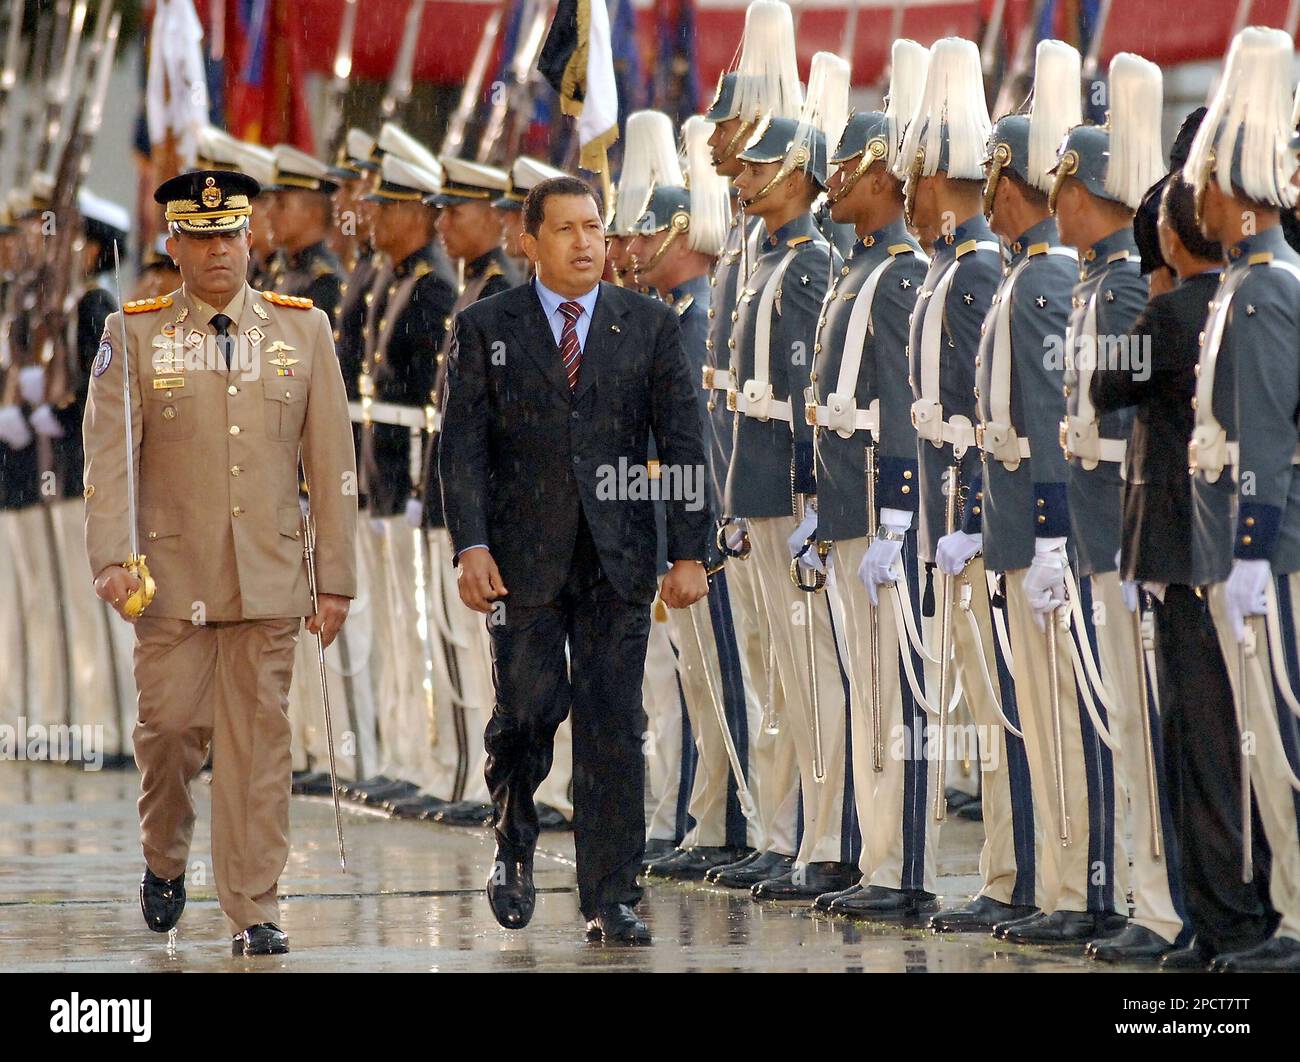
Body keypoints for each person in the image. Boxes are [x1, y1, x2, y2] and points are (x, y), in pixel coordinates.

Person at [82, 168, 358, 956]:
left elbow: (332, 462)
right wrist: (112, 558)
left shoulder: (303, 333)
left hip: (269, 581)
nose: (217, 253)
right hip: (169, 586)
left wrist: (333, 577)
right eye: (200, 239)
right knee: (168, 733)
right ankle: (164, 857)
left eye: (230, 236)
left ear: (250, 240)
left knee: (257, 749)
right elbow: (107, 459)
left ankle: (253, 907)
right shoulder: (133, 334)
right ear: (173, 245)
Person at [439, 175, 711, 944]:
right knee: (526, 709)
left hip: (619, 559)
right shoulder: (486, 325)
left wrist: (689, 550)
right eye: (566, 229)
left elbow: (682, 441)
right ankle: (514, 843)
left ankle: (612, 893)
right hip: (522, 559)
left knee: (612, 724)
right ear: (529, 241)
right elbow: (462, 448)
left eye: (595, 226)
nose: (587, 242)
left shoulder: (646, 324)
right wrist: (471, 544)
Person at [1094, 155, 1275, 969]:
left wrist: (1156, 302)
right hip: (1230, 546)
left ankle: (1220, 921)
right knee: (1228, 746)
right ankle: (1229, 915)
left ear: (1170, 237)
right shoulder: (1236, 302)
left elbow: (1103, 384)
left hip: (1178, 543)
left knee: (1193, 748)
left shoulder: (1170, 318)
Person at [896, 37, 1035, 933]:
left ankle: (1020, 876)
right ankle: (1004, 877)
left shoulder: (981, 268)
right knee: (983, 711)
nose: (910, 197)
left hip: (982, 517)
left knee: (1005, 712)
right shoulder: (957, 266)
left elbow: (997, 414)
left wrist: (977, 518)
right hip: (949, 514)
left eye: (918, 180)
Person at [1048, 52, 1186, 954]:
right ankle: (1144, 897)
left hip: (1128, 526)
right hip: (1102, 527)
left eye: (1064, 184)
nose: (1050, 198)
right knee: (1123, 723)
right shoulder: (1098, 279)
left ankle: (1162, 904)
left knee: (1144, 727)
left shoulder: (1128, 281)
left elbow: (1134, 406)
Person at [1184, 25, 1300, 973]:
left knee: (1284, 737)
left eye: (1209, 179)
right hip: (1240, 543)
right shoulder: (1246, 283)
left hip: (1271, 548)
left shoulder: (1266, 291)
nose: (1199, 198)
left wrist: (1253, 550)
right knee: (1261, 740)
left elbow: (1263, 436)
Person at [813, 47, 935, 922]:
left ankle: (901, 867)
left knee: (891, 691)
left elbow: (896, 405)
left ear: (884, 179)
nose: (831, 184)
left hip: (880, 506)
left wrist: (895, 516)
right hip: (845, 502)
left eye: (847, 170)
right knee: (863, 686)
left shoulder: (897, 274)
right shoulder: (858, 264)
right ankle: (873, 856)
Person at [630, 114, 760, 880]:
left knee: (717, 688)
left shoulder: (698, 320)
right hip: (667, 521)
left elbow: (699, 449)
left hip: (699, 529)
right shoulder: (679, 318)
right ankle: (697, 819)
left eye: (646, 236)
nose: (633, 250)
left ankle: (720, 822)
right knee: (685, 689)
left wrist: (696, 538)